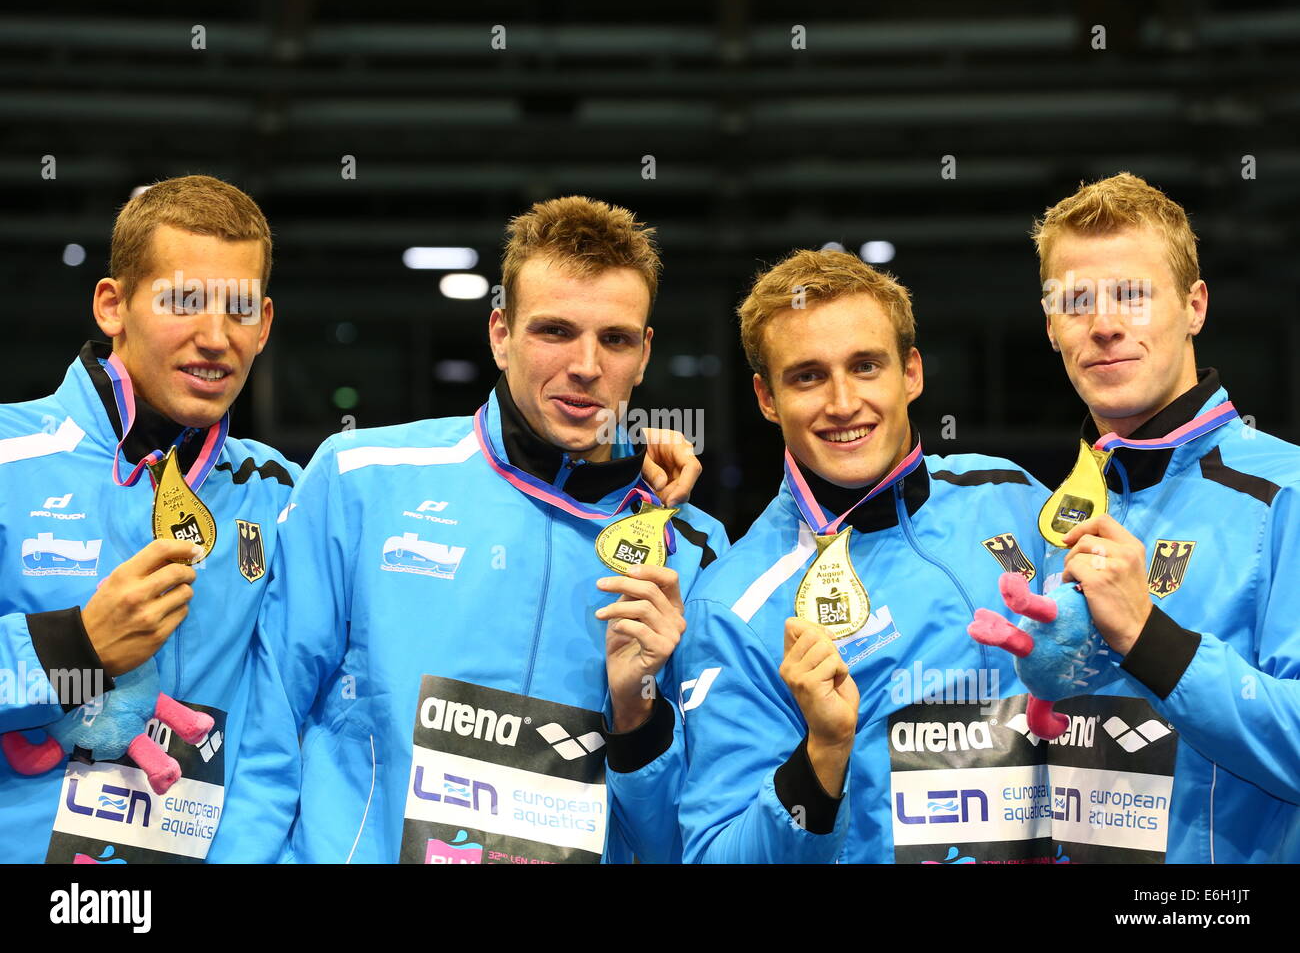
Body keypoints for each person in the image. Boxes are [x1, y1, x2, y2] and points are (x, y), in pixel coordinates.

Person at [237, 195, 728, 863]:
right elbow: (264, 734)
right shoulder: (360, 479)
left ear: (643, 355)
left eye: (614, 339)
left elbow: (682, 837)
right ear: (500, 333)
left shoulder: (693, 551)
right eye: (554, 331)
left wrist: (639, 713)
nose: (586, 365)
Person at [675, 249, 1058, 864]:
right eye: (806, 376)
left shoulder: (1010, 496)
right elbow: (714, 855)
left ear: (911, 372)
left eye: (865, 366)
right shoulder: (733, 605)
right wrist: (821, 755)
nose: (843, 402)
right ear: (766, 398)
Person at [0, 175, 300, 863]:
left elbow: (294, 726)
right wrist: (71, 649)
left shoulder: (286, 493)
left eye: (241, 309)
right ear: (113, 304)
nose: (216, 337)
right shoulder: (8, 458)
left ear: (266, 324)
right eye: (184, 302)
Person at [1030, 172, 1300, 863]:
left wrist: (1150, 638)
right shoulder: (1049, 516)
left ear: (1194, 305)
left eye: (1133, 295)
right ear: (1051, 323)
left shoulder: (1285, 495)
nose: (1105, 323)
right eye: (1076, 301)